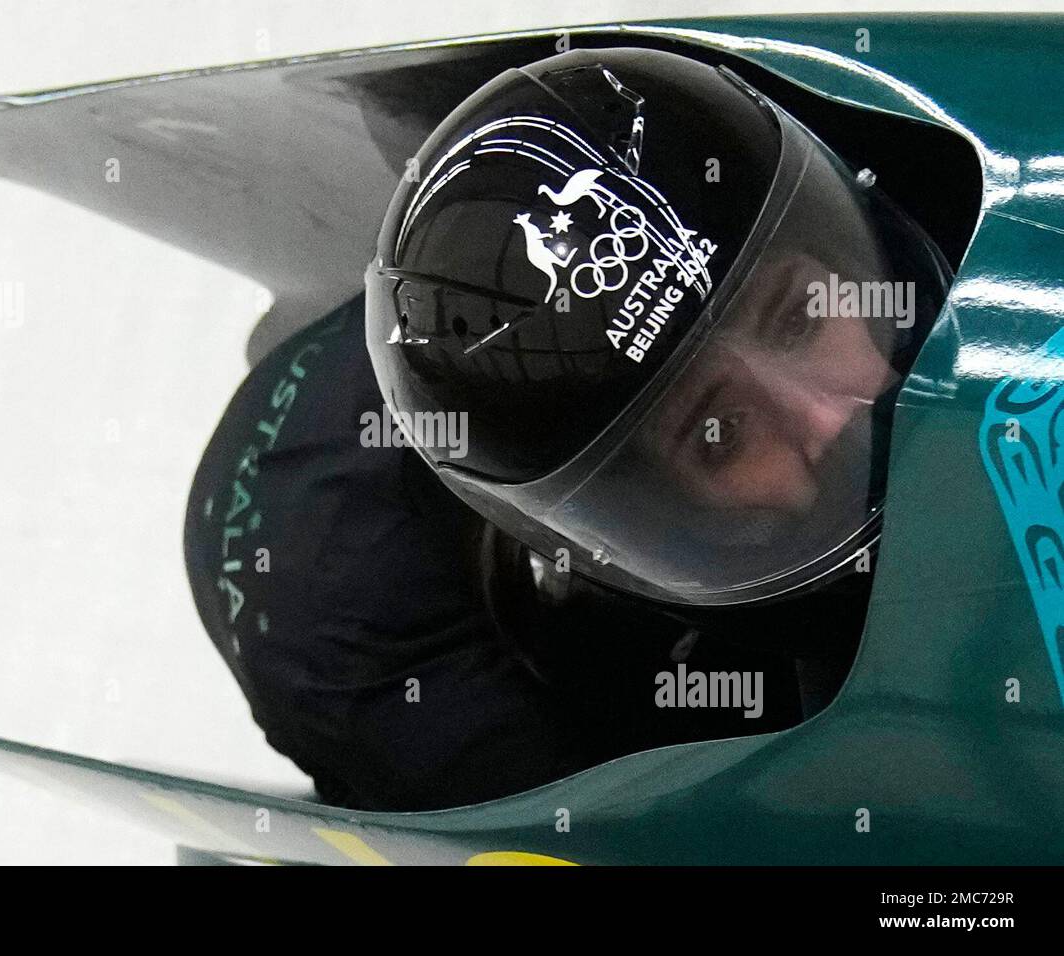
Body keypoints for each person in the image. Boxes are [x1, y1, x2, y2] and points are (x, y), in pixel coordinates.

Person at [184, 48, 951, 811]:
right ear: (663, 517)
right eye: (720, 432)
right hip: (331, 611)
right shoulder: (445, 704)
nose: (830, 412)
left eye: (798, 317)